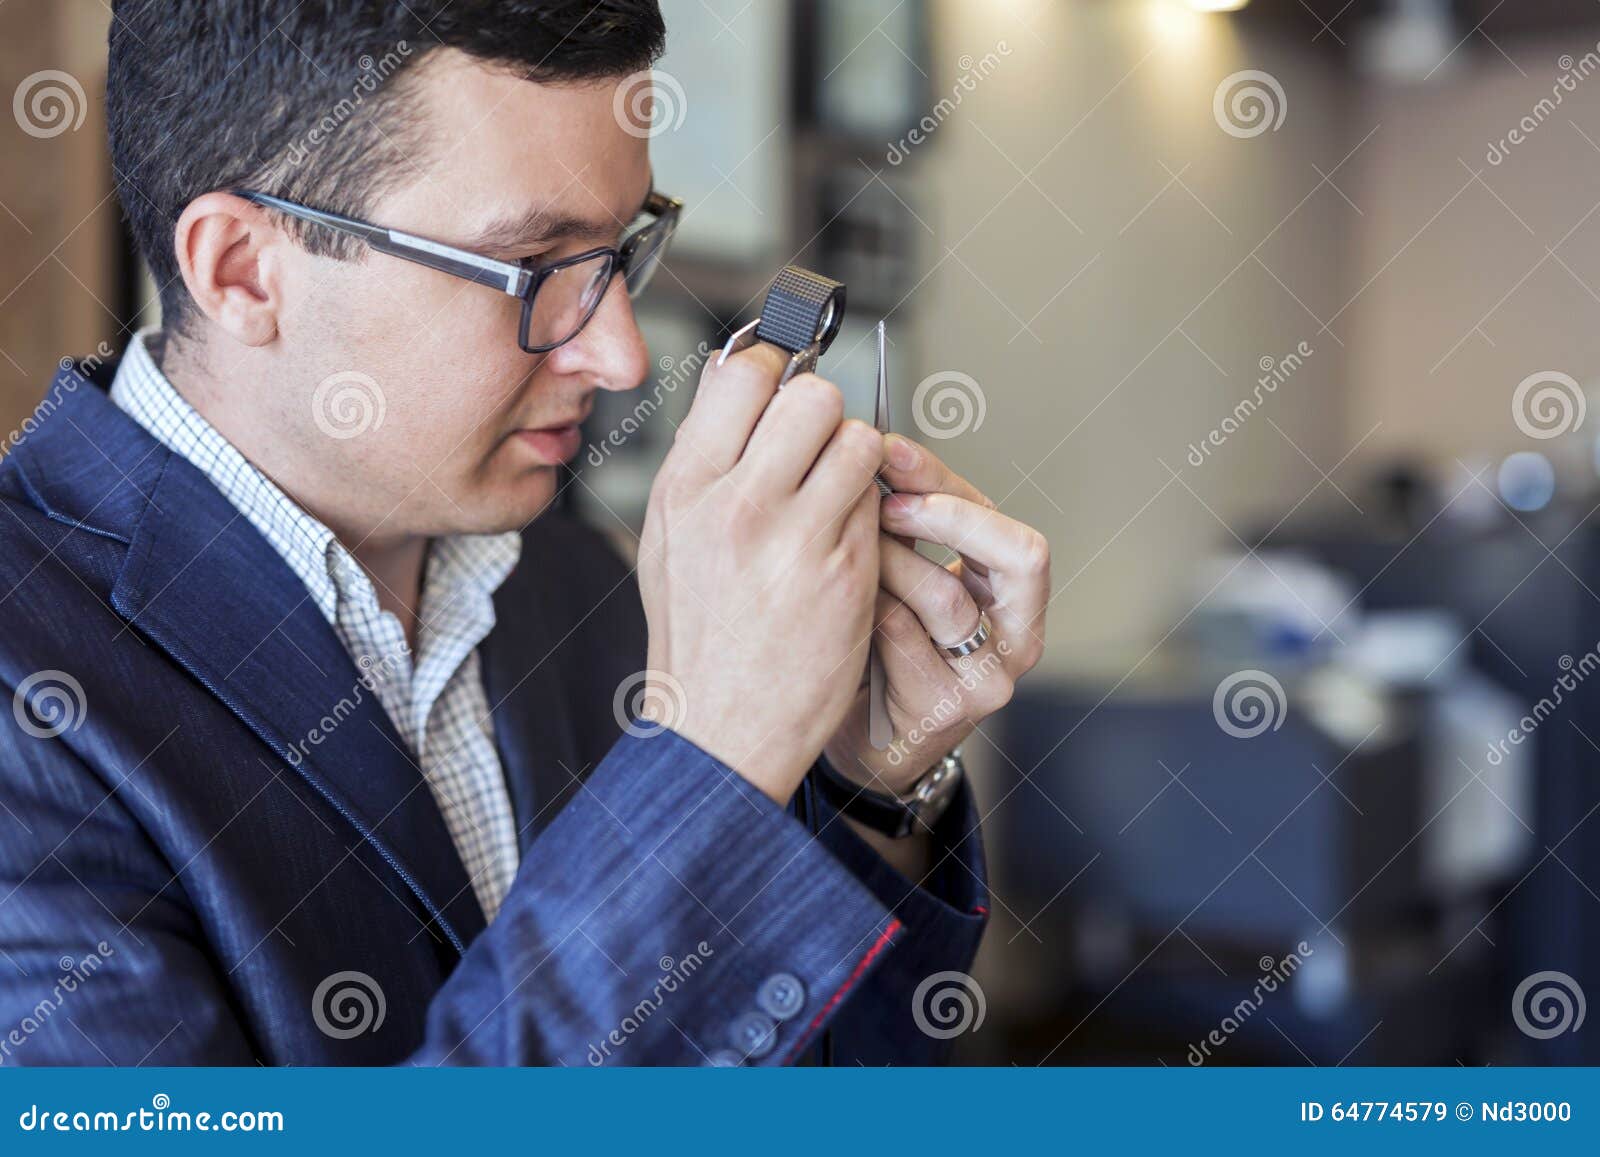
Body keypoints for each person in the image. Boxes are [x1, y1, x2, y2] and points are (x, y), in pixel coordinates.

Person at [0, 0, 1049, 1065]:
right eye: (540, 267)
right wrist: (706, 765)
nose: (624, 356)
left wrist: (862, 787)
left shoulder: (576, 574)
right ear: (241, 269)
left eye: (621, 249)